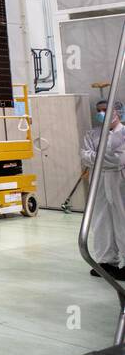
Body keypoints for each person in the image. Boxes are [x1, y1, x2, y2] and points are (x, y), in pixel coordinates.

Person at [80, 100, 125, 280]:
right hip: (98, 180)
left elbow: (119, 160)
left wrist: (96, 158)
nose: (101, 113)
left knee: (122, 217)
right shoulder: (93, 134)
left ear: (118, 112)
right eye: (99, 110)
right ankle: (106, 261)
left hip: (119, 180)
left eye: (106, 110)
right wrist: (103, 158)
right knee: (100, 218)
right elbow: (85, 155)